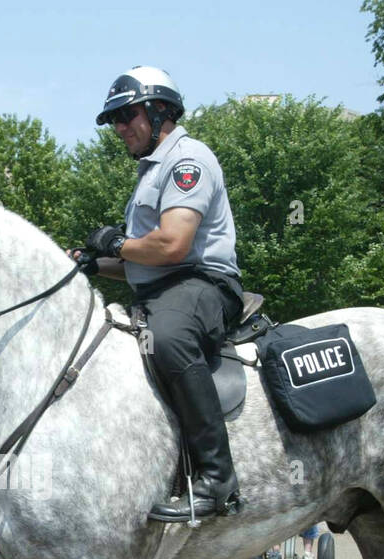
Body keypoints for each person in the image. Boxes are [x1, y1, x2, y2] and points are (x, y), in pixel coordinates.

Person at [73, 66, 244, 521]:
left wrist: (115, 244)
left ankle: (216, 480)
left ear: (160, 110)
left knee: (167, 338)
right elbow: (141, 261)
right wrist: (92, 263)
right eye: (114, 121)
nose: (120, 128)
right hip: (162, 287)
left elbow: (172, 245)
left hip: (202, 286)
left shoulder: (187, 161)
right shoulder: (151, 171)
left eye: (127, 116)